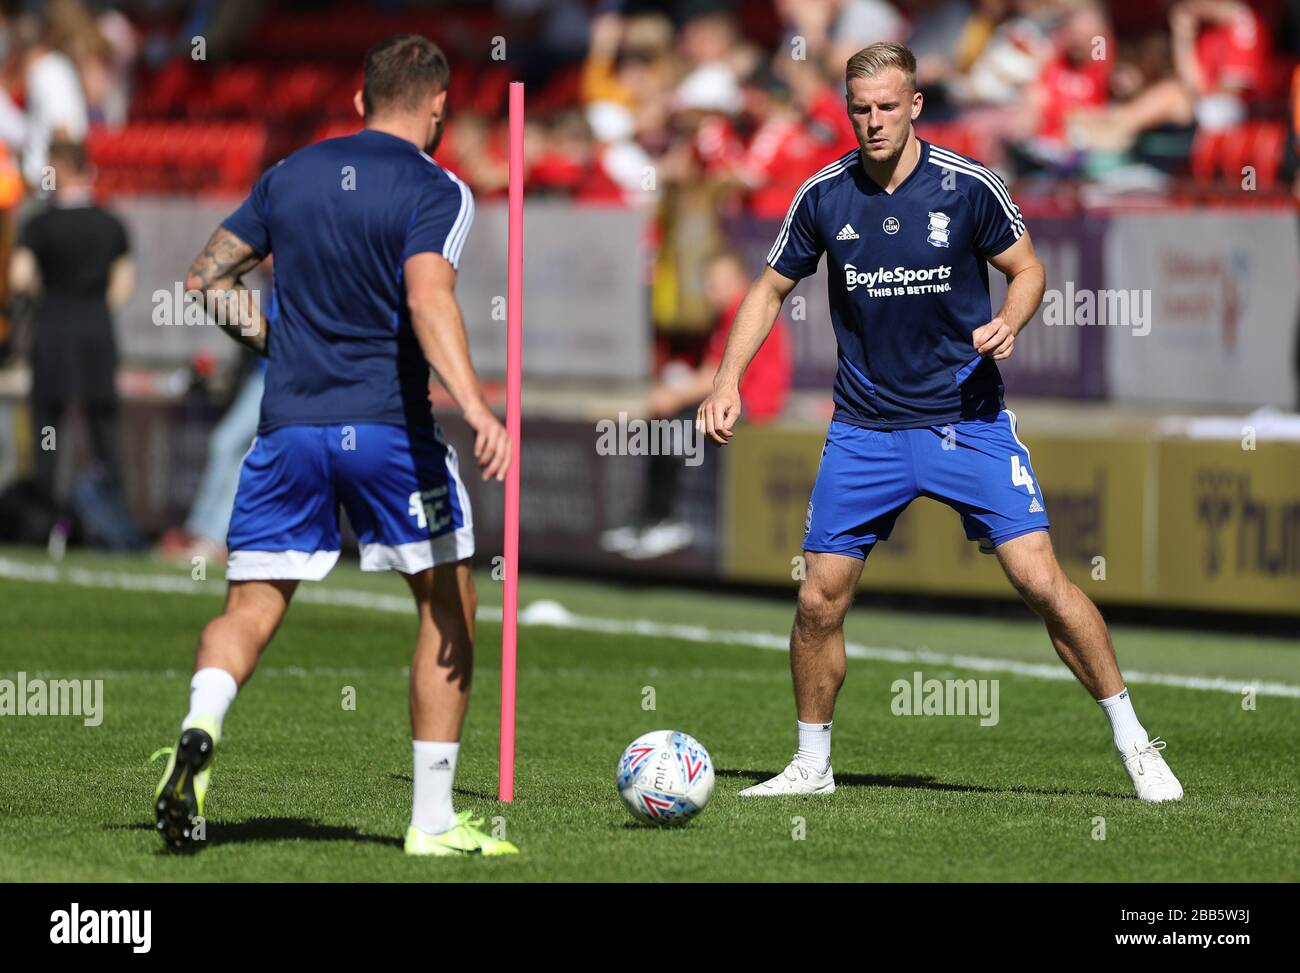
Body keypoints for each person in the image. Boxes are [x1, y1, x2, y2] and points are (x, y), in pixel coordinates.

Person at [697, 43, 1183, 803]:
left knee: (1041, 581)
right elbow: (766, 290)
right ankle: (811, 765)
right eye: (860, 109)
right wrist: (725, 379)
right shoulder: (825, 194)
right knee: (818, 598)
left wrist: (1011, 322)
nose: (873, 121)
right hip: (864, 430)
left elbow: (1028, 269)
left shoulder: (968, 187)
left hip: (968, 420)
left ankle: (1135, 741)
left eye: (888, 106)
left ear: (916, 104)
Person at [150, 34, 517, 857]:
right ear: (438, 112)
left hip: (288, 430)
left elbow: (205, 279)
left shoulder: (290, 175)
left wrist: (278, 343)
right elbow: (429, 298)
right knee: (447, 604)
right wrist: (478, 405)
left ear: (357, 102)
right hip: (389, 430)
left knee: (249, 608)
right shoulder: (439, 188)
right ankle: (430, 821)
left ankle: (201, 727)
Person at [601, 250, 792, 560]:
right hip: (734, 403)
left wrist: (671, 396)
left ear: (738, 280)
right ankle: (651, 518)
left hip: (754, 407)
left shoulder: (743, 310)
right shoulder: (725, 314)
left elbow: (714, 376)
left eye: (716, 283)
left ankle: (667, 519)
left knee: (674, 427)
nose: (709, 290)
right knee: (665, 424)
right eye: (708, 283)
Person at [10, 138, 134, 511]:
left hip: (54, 331)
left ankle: (45, 508)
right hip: (96, 331)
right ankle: (114, 512)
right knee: (103, 427)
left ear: (58, 170)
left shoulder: (39, 224)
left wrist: (46, 292)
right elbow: (122, 288)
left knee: (49, 425)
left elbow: (19, 277)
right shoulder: (111, 224)